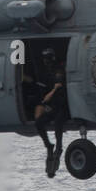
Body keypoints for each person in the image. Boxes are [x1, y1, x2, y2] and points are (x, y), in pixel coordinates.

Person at [31, 48, 68, 177]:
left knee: (58, 123)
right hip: (52, 107)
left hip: (62, 106)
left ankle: (59, 147)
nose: (46, 61)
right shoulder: (46, 73)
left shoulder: (58, 71)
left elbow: (58, 86)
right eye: (44, 59)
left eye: (47, 59)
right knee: (39, 123)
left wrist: (49, 96)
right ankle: (48, 145)